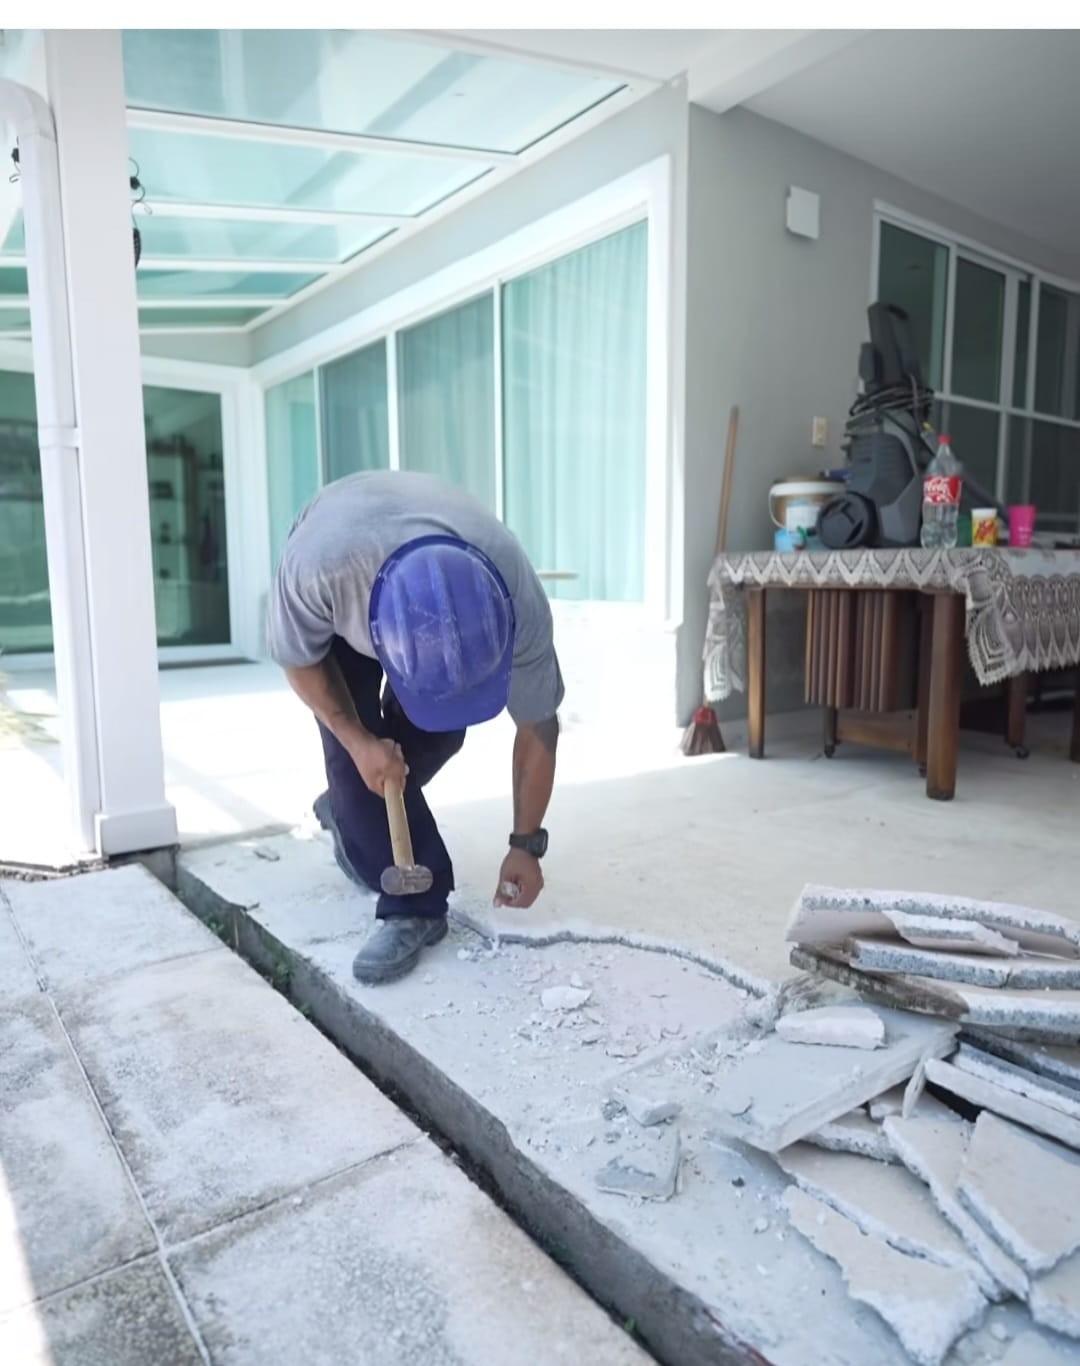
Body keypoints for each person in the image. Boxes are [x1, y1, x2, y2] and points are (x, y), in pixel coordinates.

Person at [267, 470, 563, 985]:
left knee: (441, 733)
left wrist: (525, 844)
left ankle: (349, 807)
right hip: (346, 581)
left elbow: (538, 727)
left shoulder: (515, 598)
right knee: (357, 760)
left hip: (417, 547)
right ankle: (414, 907)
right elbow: (299, 661)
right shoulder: (320, 572)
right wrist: (358, 743)